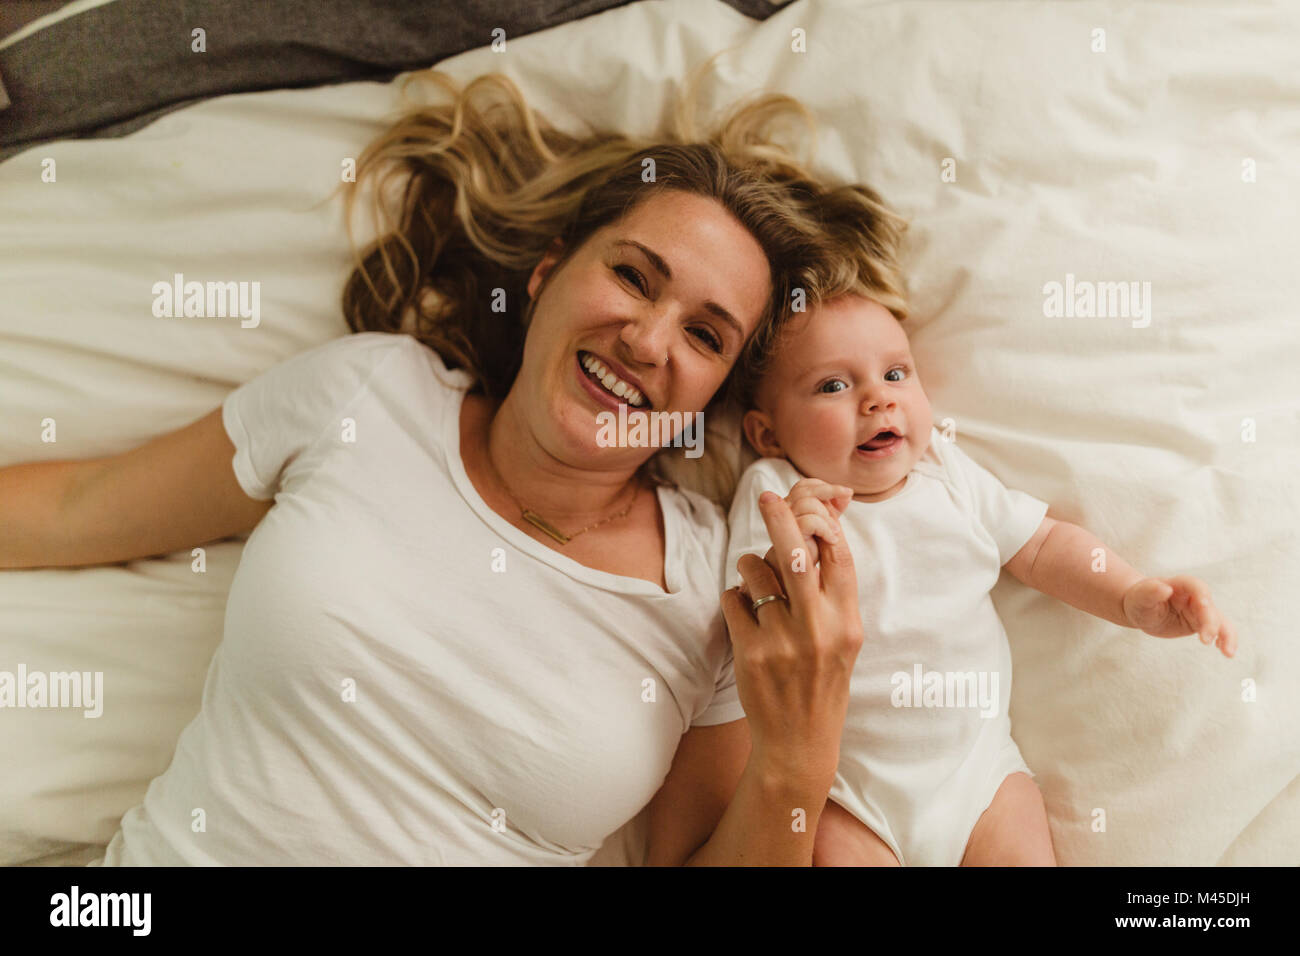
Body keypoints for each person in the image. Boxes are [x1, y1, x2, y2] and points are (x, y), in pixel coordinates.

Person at [0, 67, 914, 864]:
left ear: (711, 397)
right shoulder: (367, 397)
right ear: (549, 272)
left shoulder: (718, 584)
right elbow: (77, 507)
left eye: (705, 334)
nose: (646, 339)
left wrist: (799, 761)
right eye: (634, 277)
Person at [725, 292, 1238, 866]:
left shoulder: (946, 473)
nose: (878, 399)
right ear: (767, 434)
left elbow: (1041, 545)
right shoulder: (776, 491)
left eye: (895, 374)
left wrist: (1131, 596)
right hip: (848, 796)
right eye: (833, 386)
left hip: (980, 778)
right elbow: (754, 604)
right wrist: (793, 549)